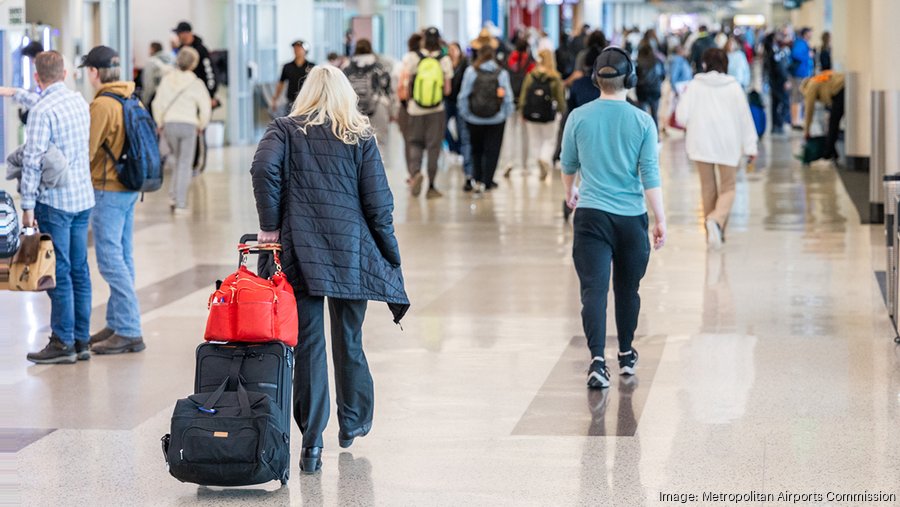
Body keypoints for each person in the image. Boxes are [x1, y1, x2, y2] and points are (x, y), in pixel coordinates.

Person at [249, 65, 409, 474]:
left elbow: (262, 167)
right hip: (348, 251)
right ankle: (351, 423)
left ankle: (312, 442)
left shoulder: (285, 130)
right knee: (349, 338)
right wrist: (389, 254)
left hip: (299, 250)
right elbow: (379, 205)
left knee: (309, 345)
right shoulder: (359, 136)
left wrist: (270, 228)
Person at [560, 46, 666, 389]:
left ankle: (596, 360)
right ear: (630, 80)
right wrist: (660, 218)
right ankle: (625, 353)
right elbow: (649, 173)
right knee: (627, 288)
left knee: (593, 290)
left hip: (590, 215)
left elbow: (568, 165)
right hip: (630, 218)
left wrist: (569, 192)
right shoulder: (642, 120)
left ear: (595, 79)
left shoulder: (578, 116)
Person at [0, 52, 95, 364]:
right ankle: (82, 340)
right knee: (80, 269)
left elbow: (31, 161)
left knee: (61, 271)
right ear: (65, 73)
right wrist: (17, 93)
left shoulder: (42, 111)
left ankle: (62, 341)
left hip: (55, 203)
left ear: (37, 76)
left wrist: (26, 205)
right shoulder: (79, 102)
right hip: (83, 198)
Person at [80, 46, 146, 354]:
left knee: (109, 260)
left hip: (109, 189)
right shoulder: (131, 96)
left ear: (94, 72)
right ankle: (117, 322)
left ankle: (130, 329)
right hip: (131, 187)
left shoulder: (103, 105)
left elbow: (88, 151)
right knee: (124, 255)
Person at [676, 48, 757, 250]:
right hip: (728, 144)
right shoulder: (734, 87)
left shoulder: (694, 86)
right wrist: (750, 146)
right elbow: (745, 119)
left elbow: (681, 116)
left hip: (700, 143)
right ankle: (717, 223)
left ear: (704, 64)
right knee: (728, 188)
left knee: (708, 188)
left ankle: (712, 231)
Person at [152, 47, 211, 214]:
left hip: (169, 124)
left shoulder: (167, 79)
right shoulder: (196, 83)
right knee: (185, 163)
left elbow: (157, 103)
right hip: (188, 125)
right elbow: (205, 106)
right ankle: (181, 203)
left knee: (177, 160)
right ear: (193, 64)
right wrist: (201, 124)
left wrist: (159, 122)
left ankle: (173, 195)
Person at [399, 27, 453, 198]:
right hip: (436, 110)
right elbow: (447, 90)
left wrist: (409, 101)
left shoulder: (413, 57)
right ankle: (431, 186)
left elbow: (406, 85)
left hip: (415, 109)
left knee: (414, 142)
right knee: (433, 147)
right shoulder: (444, 59)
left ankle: (415, 175)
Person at [458, 45, 514, 194]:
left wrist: (466, 114)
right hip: (496, 119)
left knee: (476, 149)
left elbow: (463, 95)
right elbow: (508, 97)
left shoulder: (471, 71)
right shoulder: (501, 73)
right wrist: (506, 114)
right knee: (493, 150)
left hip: (474, 118)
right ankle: (487, 181)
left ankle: (477, 178)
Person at [518, 49, 566, 181]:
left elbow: (524, 93)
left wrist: (522, 110)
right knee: (550, 140)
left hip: (531, 114)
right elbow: (560, 98)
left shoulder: (531, 75)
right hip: (549, 114)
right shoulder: (555, 77)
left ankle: (539, 165)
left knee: (535, 141)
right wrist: (562, 111)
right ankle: (544, 158)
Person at [344, 39, 391, 147]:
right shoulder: (380, 67)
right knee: (379, 144)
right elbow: (387, 89)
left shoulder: (346, 69)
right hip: (378, 108)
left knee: (356, 143)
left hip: (353, 111)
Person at [501, 38, 535, 177]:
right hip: (524, 101)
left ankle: (508, 162)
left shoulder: (510, 59)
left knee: (509, 132)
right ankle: (525, 165)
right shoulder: (530, 62)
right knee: (524, 134)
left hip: (510, 99)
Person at [445, 42, 474, 190]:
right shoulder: (445, 64)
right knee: (442, 128)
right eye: (449, 50)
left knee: (464, 134)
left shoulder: (466, 64)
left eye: (453, 49)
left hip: (461, 104)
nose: (451, 52)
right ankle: (454, 147)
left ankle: (468, 172)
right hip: (448, 102)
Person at [801, 70, 844, 162]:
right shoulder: (817, 79)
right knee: (833, 122)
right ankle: (832, 151)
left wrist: (806, 131)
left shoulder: (810, 87)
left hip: (840, 90)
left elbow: (809, 110)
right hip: (843, 85)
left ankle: (828, 152)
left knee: (833, 123)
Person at [173, 21, 217, 108]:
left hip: (200, 93)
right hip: (184, 96)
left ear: (185, 34)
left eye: (179, 34)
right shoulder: (180, 49)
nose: (177, 37)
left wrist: (210, 95)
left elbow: (209, 73)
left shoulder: (201, 50)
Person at [272, 40, 315, 116]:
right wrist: (275, 99)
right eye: (295, 48)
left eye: (299, 48)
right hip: (291, 101)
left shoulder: (312, 66)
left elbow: (316, 84)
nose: (296, 50)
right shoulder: (287, 66)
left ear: (305, 50)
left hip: (307, 101)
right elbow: (281, 83)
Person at [764, 33, 791, 134]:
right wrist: (785, 80)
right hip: (779, 82)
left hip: (774, 81)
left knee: (775, 104)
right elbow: (780, 67)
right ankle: (779, 124)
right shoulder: (776, 52)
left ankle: (775, 125)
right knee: (784, 103)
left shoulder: (772, 50)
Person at [635, 44, 666, 131]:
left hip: (642, 92)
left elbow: (634, 79)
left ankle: (644, 137)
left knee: (642, 117)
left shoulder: (637, 62)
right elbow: (663, 76)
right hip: (655, 91)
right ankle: (656, 136)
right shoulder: (657, 61)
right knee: (655, 115)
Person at [790, 27, 814, 128]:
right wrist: (807, 56)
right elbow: (795, 54)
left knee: (800, 97)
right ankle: (795, 121)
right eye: (810, 33)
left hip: (804, 74)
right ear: (805, 34)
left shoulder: (804, 43)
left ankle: (798, 120)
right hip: (799, 74)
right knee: (797, 97)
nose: (811, 35)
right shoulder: (800, 43)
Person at [140, 42, 174, 108]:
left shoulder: (152, 63)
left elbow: (149, 85)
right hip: (168, 99)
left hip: (155, 98)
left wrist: (144, 102)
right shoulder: (170, 61)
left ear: (152, 49)